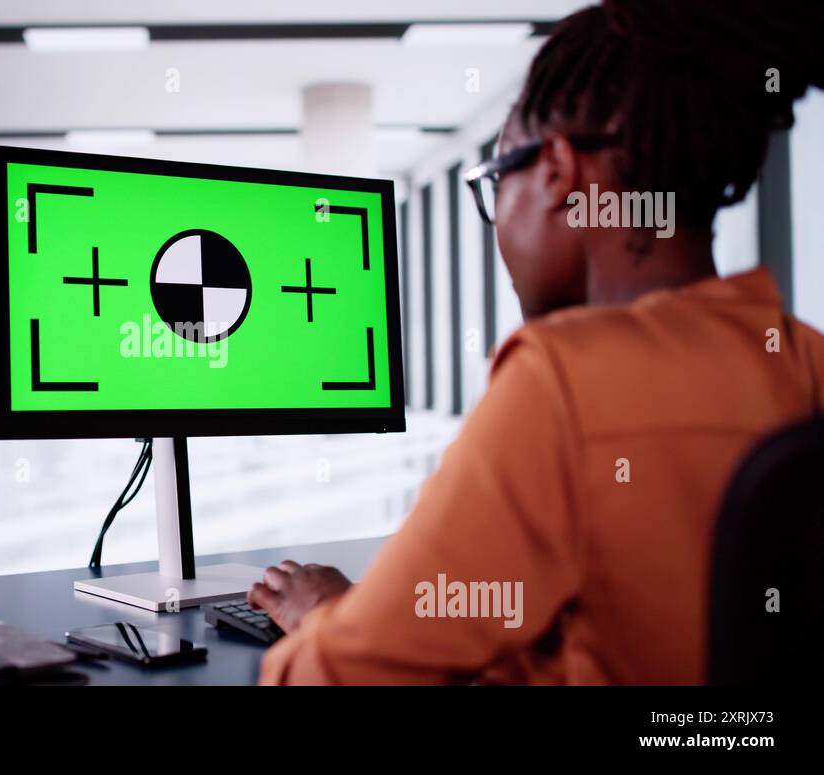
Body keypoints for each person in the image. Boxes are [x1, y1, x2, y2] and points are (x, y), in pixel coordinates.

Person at [249, 0, 824, 684]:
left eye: (496, 181)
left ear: (557, 172)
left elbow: (338, 677)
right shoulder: (806, 359)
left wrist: (327, 618)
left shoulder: (562, 381)